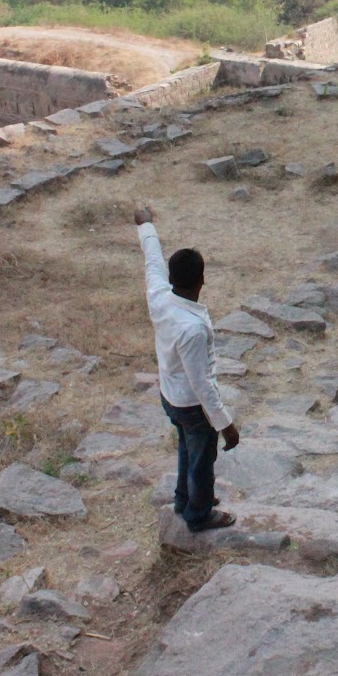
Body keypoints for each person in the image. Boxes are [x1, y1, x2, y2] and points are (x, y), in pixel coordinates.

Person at [135, 204, 240, 532]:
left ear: (171, 279)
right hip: (192, 405)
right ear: (202, 279)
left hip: (170, 396)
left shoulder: (160, 295)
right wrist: (225, 424)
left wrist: (146, 226)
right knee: (202, 459)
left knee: (187, 448)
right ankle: (198, 513)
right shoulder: (192, 329)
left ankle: (185, 498)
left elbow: (152, 259)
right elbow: (201, 384)